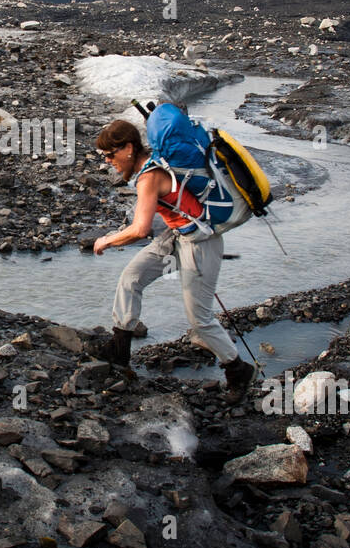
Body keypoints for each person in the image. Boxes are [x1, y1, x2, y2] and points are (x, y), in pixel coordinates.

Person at [92, 118, 257, 391]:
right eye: (105, 156)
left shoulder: (149, 177)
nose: (109, 161)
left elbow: (140, 229)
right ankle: (120, 350)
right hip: (177, 237)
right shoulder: (152, 165)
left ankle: (238, 369)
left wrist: (107, 241)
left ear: (129, 148)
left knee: (200, 320)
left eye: (111, 154)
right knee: (131, 278)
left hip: (201, 243)